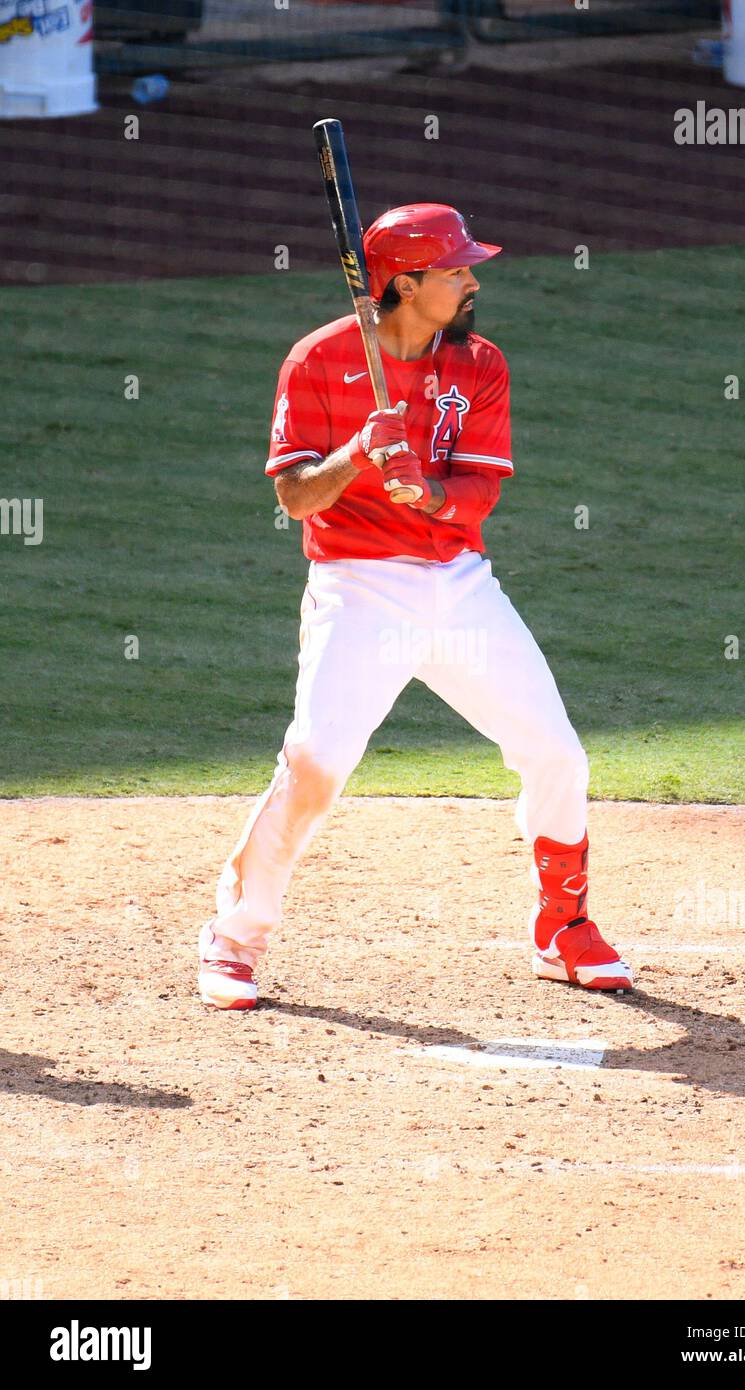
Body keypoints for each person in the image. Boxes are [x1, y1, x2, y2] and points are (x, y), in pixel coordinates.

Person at [197, 203, 633, 1010]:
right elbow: (296, 497)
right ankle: (234, 937)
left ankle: (563, 928)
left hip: (459, 585)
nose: (473, 280)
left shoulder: (480, 361)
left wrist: (426, 491)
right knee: (317, 763)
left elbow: (478, 493)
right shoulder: (318, 361)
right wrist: (358, 452)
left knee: (558, 755)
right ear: (404, 284)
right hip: (358, 587)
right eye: (457, 269)